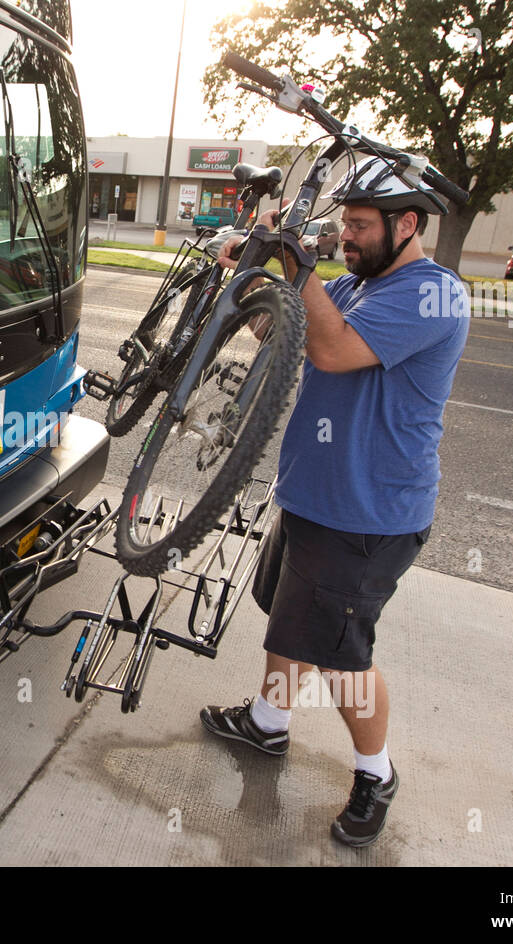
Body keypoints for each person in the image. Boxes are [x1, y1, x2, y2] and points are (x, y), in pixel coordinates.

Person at [198, 157, 470, 848]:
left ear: (407, 225)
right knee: (292, 625)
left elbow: (337, 350)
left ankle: (376, 774)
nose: (345, 236)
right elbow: (287, 335)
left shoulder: (434, 295)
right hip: (316, 497)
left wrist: (300, 273)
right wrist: (258, 271)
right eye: (342, 223)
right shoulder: (351, 284)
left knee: (343, 657)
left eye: (359, 225)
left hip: (368, 514)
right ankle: (267, 723)